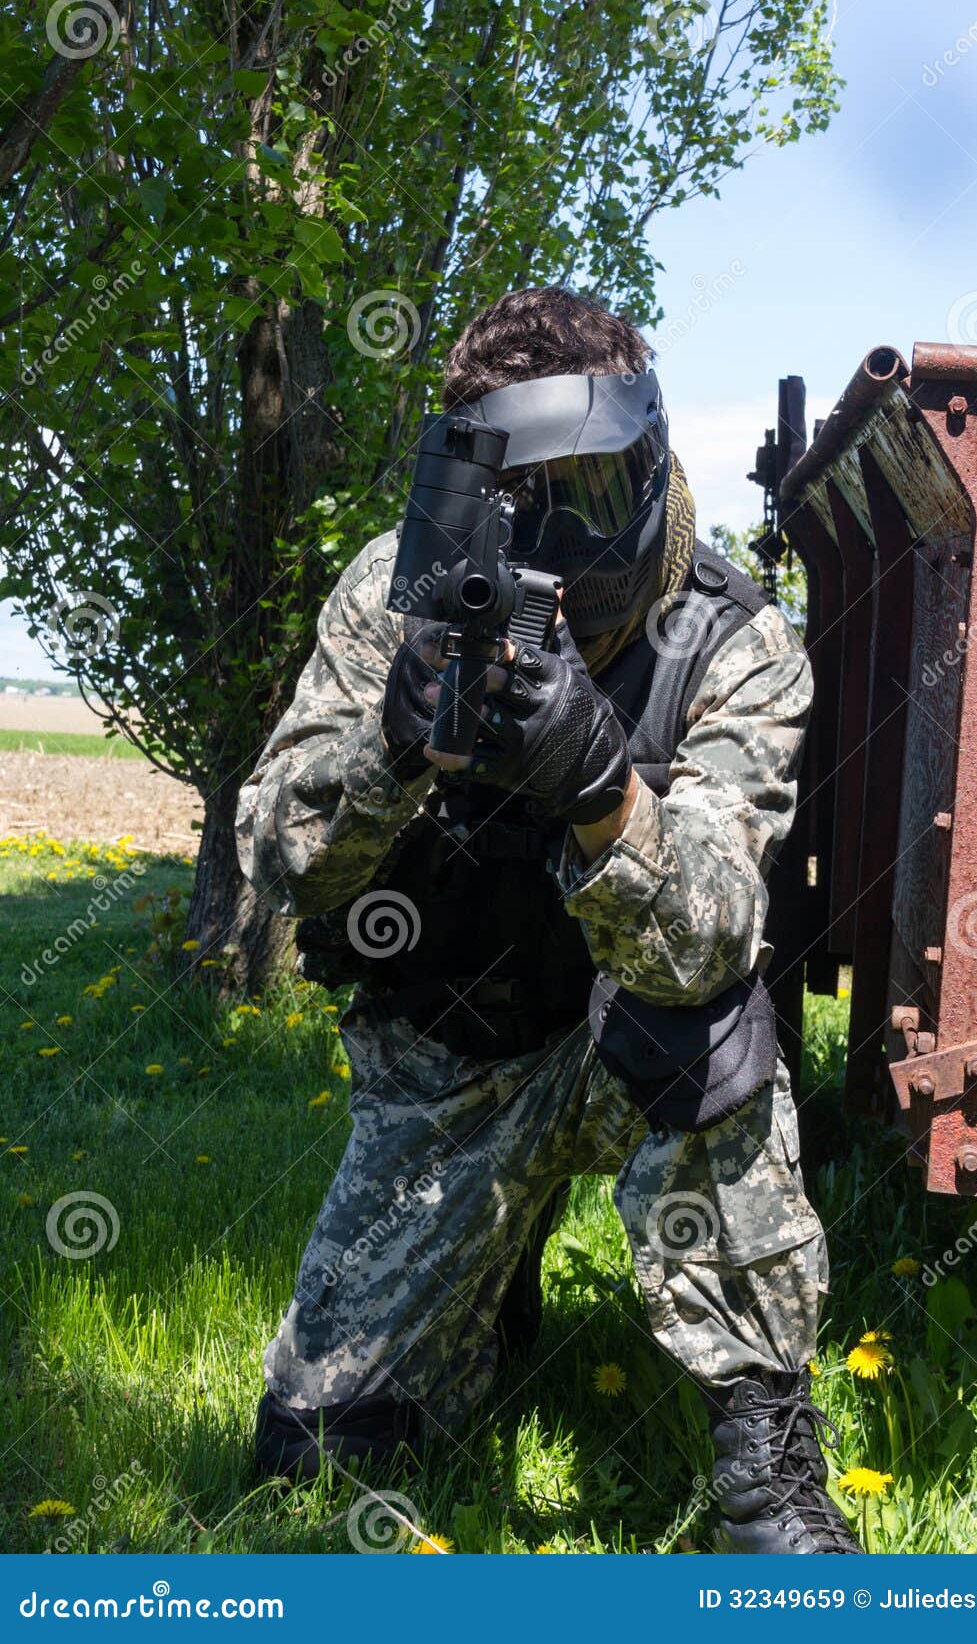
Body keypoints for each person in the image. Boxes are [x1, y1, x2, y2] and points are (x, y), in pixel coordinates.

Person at [235, 286, 858, 1554]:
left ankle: (766, 1464)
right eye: (524, 503)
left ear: (651, 457)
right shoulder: (393, 595)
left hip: (631, 1050)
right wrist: (390, 747)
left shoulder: (733, 640)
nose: (557, 555)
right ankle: (486, 1278)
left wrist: (598, 787)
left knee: (715, 1036)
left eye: (593, 489)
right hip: (450, 1067)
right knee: (317, 1460)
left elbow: (713, 928)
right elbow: (276, 860)